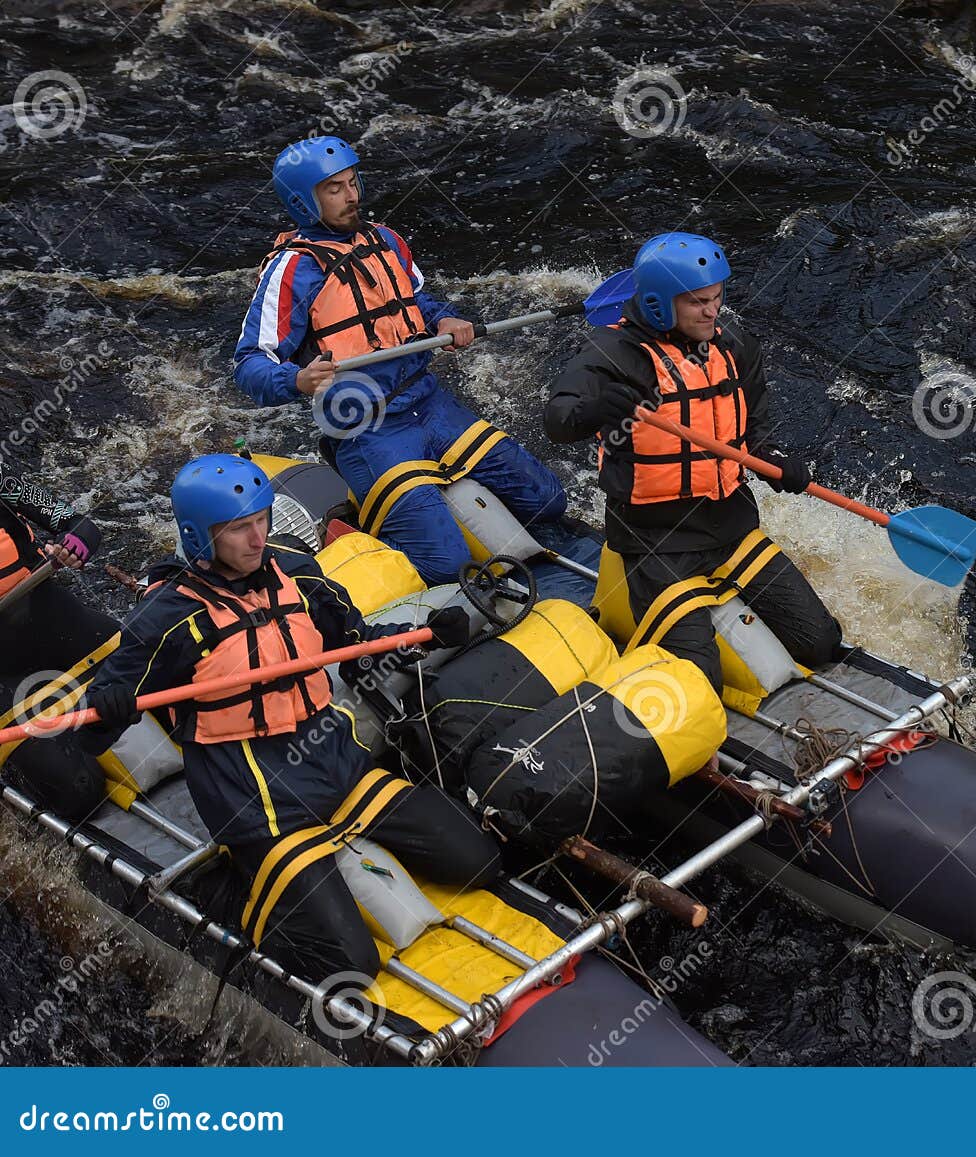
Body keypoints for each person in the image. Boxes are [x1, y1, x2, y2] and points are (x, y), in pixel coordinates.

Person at [78, 454, 501, 984]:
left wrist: (424, 637)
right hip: (253, 796)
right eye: (240, 529)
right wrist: (110, 707)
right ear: (201, 537)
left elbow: (353, 643)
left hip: (332, 759)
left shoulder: (296, 572)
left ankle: (319, 856)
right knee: (352, 964)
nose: (258, 539)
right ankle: (235, 891)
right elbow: (94, 726)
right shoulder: (168, 619)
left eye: (263, 520)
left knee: (479, 862)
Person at [232, 135, 579, 586]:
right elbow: (249, 363)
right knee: (447, 567)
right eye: (334, 188)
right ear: (303, 202)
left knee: (548, 501)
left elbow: (417, 302)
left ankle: (420, 503)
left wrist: (446, 320)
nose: (352, 195)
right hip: (365, 430)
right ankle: (365, 524)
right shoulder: (293, 269)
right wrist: (297, 379)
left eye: (353, 182)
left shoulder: (387, 240)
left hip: (429, 403)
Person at [544, 232, 843, 690]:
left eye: (717, 298)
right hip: (655, 540)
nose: (712, 311)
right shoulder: (613, 353)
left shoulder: (734, 344)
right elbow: (559, 421)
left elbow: (754, 423)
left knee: (820, 643)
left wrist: (772, 458)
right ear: (661, 303)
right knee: (699, 680)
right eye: (698, 302)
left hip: (731, 525)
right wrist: (601, 407)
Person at [0, 474, 114, 820]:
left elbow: (81, 525)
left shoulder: (4, 483)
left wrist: (75, 542)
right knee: (80, 789)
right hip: (4, 675)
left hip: (51, 620)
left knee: (166, 661)